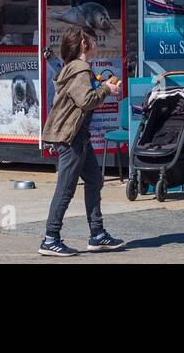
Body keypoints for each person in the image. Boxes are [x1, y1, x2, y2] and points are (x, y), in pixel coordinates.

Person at [38, 29, 125, 257]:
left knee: (94, 180)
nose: (97, 43)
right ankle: (50, 238)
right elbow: (86, 101)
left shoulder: (75, 69)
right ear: (84, 44)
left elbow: (82, 96)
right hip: (71, 138)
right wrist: (107, 89)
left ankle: (97, 234)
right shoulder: (81, 70)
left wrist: (104, 86)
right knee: (66, 188)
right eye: (94, 40)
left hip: (79, 137)